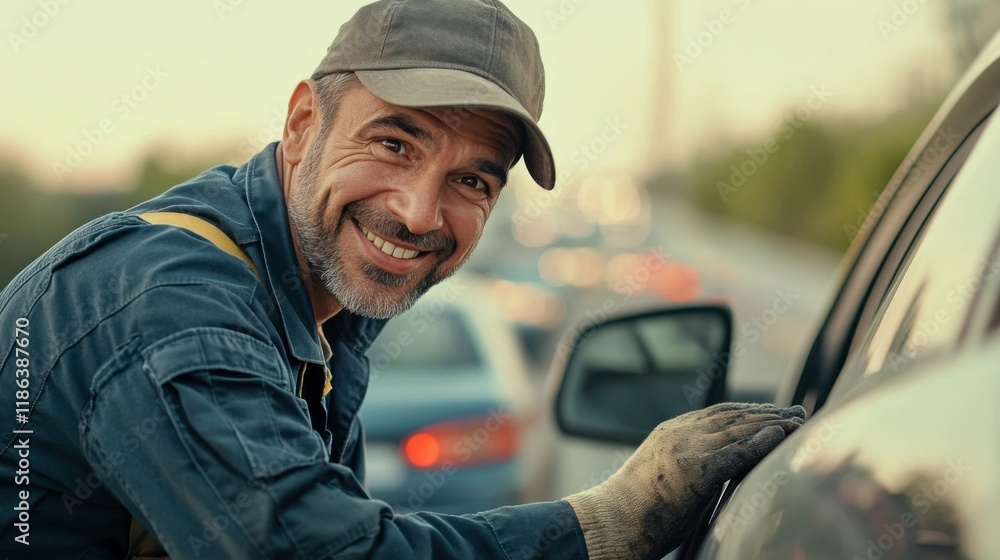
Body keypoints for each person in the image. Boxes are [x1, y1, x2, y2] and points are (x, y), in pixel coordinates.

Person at [0, 0, 805, 558]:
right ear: (303, 124)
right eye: (394, 144)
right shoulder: (171, 305)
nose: (419, 213)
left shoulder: (320, 308)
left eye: (471, 181)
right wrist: (605, 523)